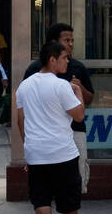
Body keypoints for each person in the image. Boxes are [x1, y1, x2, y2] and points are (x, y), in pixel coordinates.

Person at [16, 40, 85, 214]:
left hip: (37, 153)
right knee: (68, 198)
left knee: (41, 198)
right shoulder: (62, 85)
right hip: (63, 151)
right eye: (64, 57)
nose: (68, 61)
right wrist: (79, 92)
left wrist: (28, 147)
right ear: (52, 59)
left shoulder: (24, 86)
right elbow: (79, 115)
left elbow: (21, 120)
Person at [24, 23, 94, 195]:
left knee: (75, 180)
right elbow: (24, 107)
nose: (70, 44)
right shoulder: (35, 70)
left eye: (72, 40)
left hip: (75, 131)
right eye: (66, 40)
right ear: (54, 43)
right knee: (45, 186)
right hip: (44, 135)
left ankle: (71, 211)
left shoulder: (77, 67)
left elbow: (90, 98)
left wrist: (79, 89)